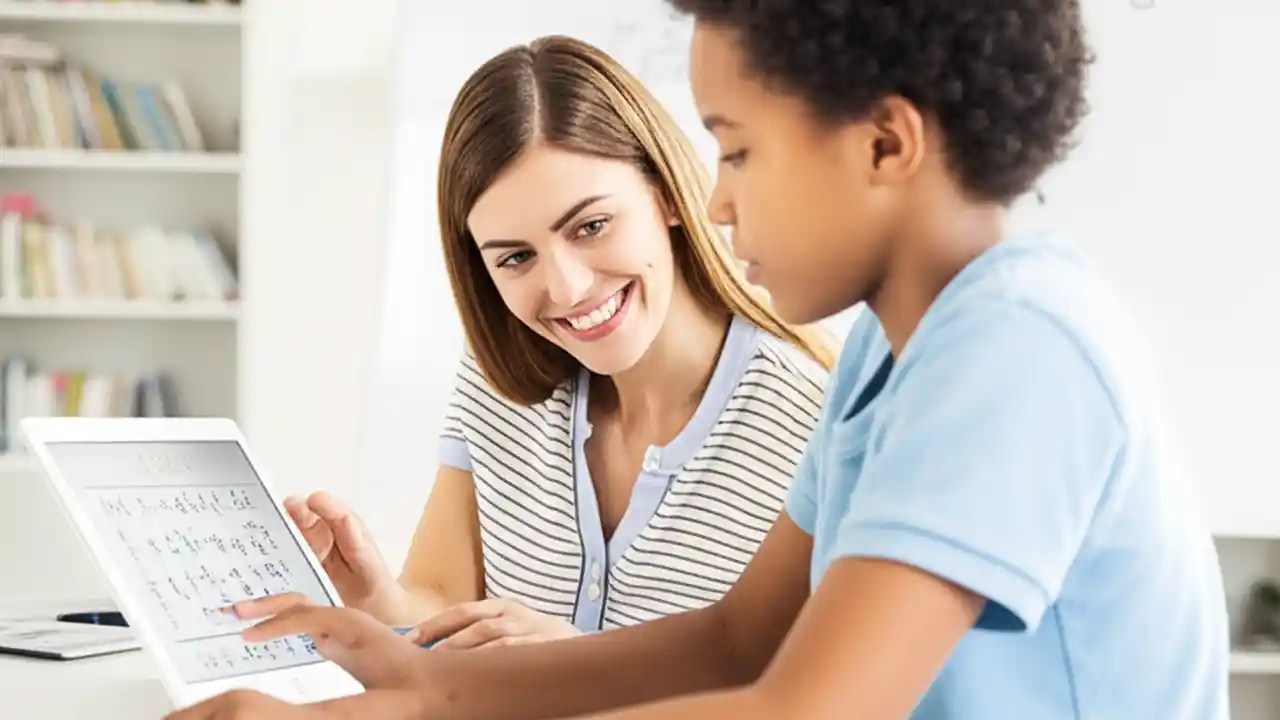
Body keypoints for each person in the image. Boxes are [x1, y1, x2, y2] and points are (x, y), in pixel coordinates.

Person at [167, 1, 1231, 718]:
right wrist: (425, 686)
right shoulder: (884, 354)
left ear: (884, 144)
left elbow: (797, 711)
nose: (715, 201)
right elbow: (732, 643)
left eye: (735, 149)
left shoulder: (1015, 350)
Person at [274, 34, 832, 652]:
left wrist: (573, 672)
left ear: (667, 195)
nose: (566, 288)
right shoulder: (499, 380)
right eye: (516, 257)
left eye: (592, 226)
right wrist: (377, 600)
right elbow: (444, 601)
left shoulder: (810, 421)